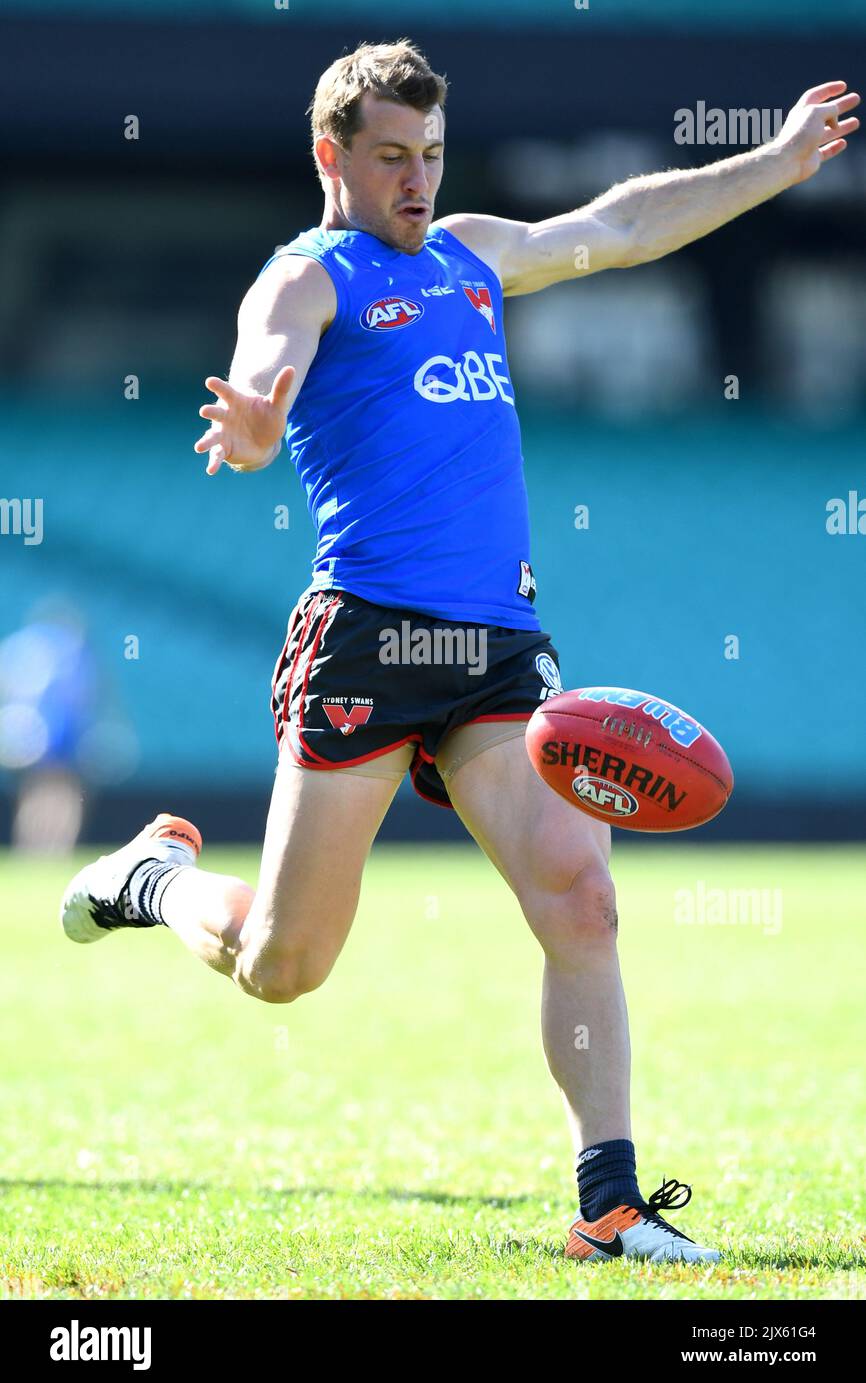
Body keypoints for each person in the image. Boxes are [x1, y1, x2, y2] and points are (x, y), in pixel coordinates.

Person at [60, 40, 858, 1263]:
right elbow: (264, 375)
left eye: (430, 153)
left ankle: (608, 1201)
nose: (416, 180)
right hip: (366, 641)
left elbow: (620, 223)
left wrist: (773, 160)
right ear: (330, 156)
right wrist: (262, 424)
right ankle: (153, 879)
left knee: (580, 901)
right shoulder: (304, 277)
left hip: (497, 645)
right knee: (283, 968)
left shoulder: (469, 254)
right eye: (390, 157)